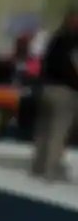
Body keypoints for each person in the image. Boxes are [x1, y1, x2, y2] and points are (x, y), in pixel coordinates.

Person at [32, 10, 78, 181]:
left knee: (44, 129)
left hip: (46, 88)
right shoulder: (73, 42)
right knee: (59, 131)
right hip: (65, 92)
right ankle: (51, 170)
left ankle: (38, 165)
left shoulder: (55, 38)